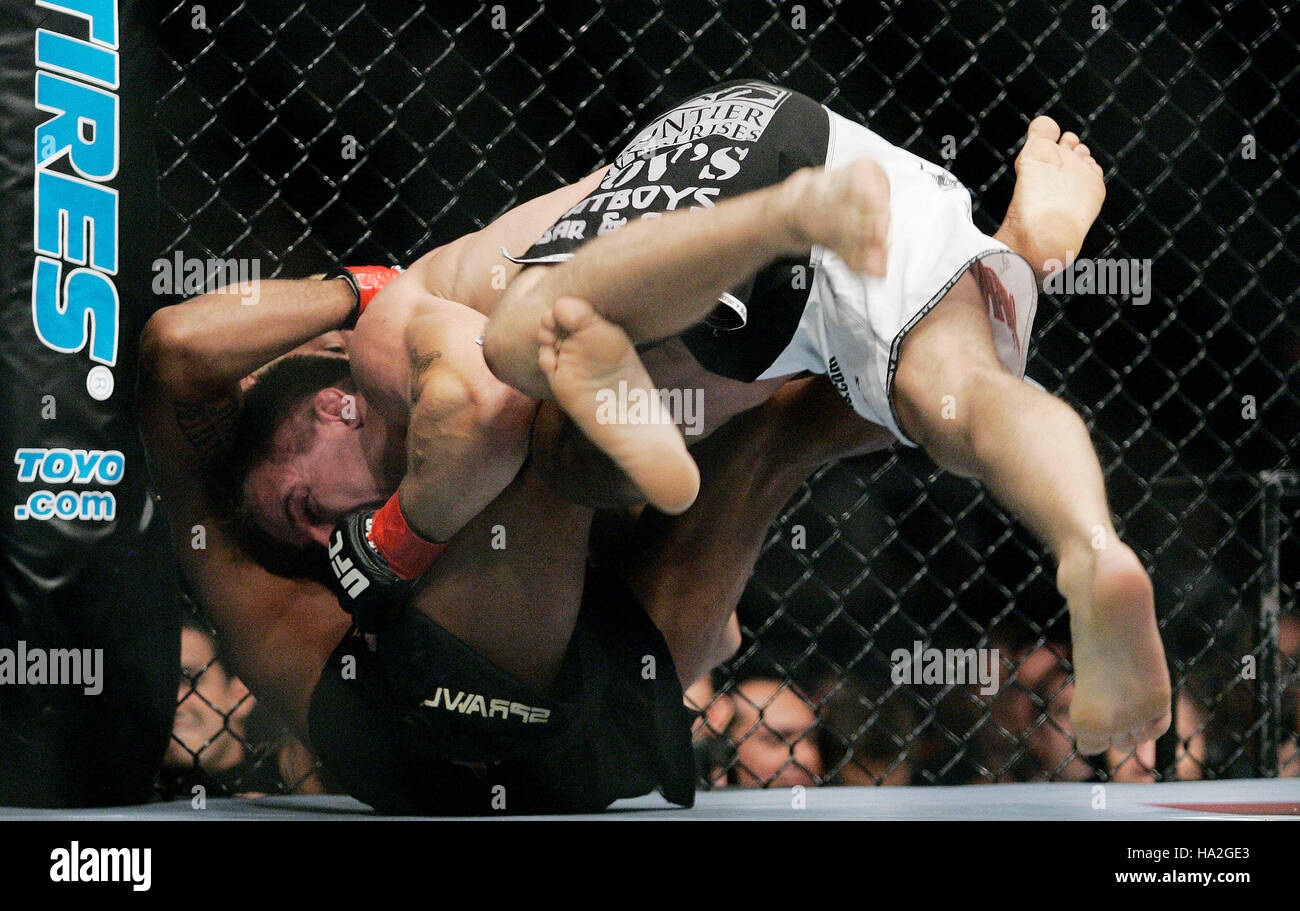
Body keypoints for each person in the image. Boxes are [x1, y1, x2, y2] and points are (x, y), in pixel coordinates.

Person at [140, 262, 890, 810]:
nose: (319, 532)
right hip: (454, 719)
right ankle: (762, 302)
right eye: (296, 511)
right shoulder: (243, 552)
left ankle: (959, 309)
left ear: (355, 403)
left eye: (352, 412)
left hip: (613, 699)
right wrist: (388, 294)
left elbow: (715, 630)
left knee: (779, 430)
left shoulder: (437, 438)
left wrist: (386, 300)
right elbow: (176, 343)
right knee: (541, 403)